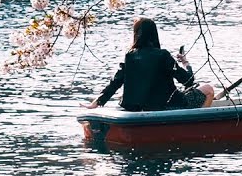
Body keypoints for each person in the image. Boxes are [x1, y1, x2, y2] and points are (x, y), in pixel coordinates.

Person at [85, 18, 214, 111]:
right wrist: (186, 63)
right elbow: (188, 81)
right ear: (154, 34)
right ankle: (198, 123)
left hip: (135, 106)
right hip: (166, 104)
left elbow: (115, 82)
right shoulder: (163, 55)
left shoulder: (129, 56)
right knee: (208, 89)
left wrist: (98, 102)